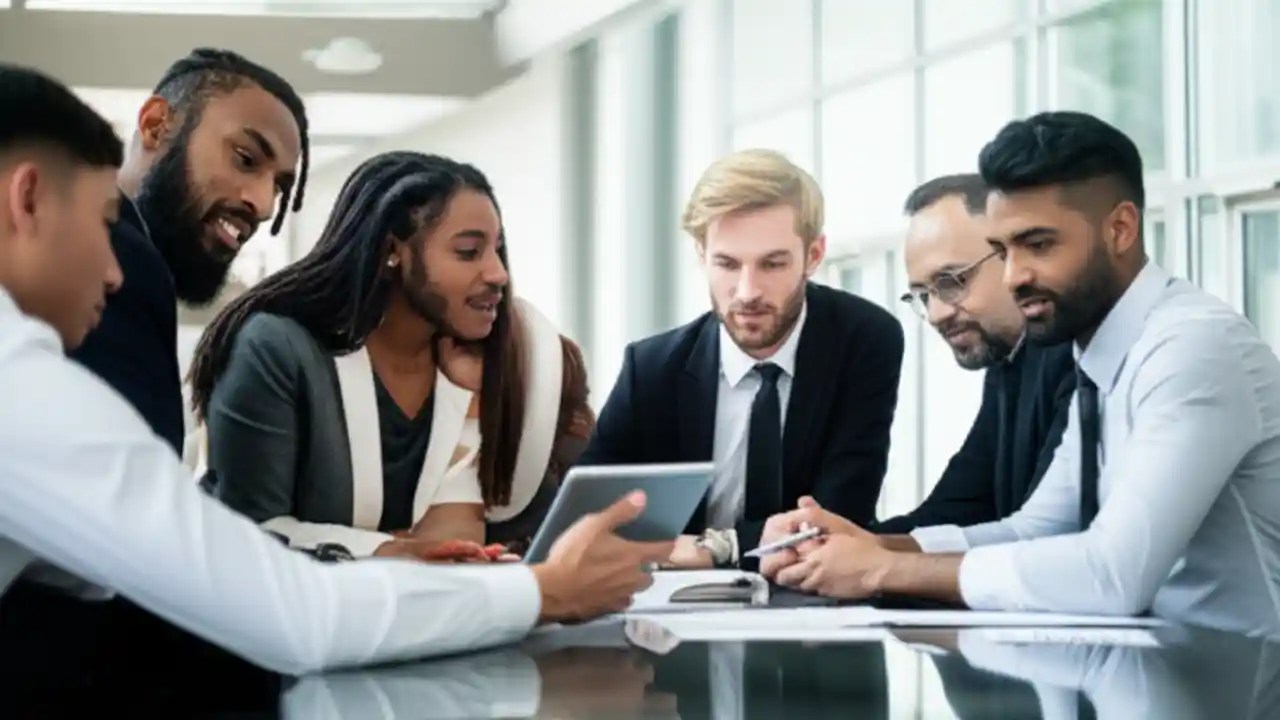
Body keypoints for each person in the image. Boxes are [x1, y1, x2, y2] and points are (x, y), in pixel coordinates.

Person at [0, 65, 674, 683]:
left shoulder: (487, 357)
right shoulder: (21, 387)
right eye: (105, 222)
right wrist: (545, 590)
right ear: (26, 200)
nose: (116, 269)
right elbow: (289, 612)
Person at [759, 111, 1280, 637]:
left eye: (1039, 245)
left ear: (1120, 229)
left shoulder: (1191, 350)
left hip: (1245, 684)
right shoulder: (1099, 354)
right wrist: (869, 544)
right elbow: (1036, 529)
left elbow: (1114, 575)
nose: (1016, 276)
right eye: (1004, 251)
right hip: (1159, 675)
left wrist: (884, 569)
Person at [189, 151, 593, 558]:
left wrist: (472, 408)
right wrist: (390, 550)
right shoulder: (278, 350)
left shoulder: (469, 363)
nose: (498, 273)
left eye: (496, 250)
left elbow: (450, 549)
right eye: (469, 252)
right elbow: (249, 532)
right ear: (392, 251)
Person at [577, 148, 904, 569]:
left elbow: (837, 522)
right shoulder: (653, 368)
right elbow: (586, 522)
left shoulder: (863, 339)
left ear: (814, 255)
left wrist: (716, 547)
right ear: (701, 256)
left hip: (814, 599)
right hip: (677, 602)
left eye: (772, 264)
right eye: (727, 264)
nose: (748, 291)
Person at [69, 46, 309, 456]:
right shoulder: (115, 258)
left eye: (280, 187)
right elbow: (126, 493)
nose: (265, 204)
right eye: (246, 158)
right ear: (157, 125)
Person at [872, 173, 1075, 538]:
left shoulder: (1075, 357)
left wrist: (873, 560)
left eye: (952, 282)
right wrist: (843, 544)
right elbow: (958, 508)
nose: (936, 314)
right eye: (923, 294)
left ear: (1012, 256)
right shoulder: (1006, 361)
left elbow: (1042, 538)